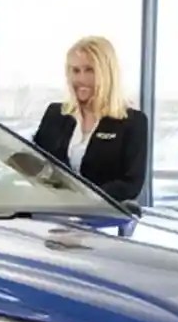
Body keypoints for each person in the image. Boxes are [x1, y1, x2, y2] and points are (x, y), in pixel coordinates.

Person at [31, 35, 149, 202]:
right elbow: (36, 165)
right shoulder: (55, 115)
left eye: (89, 70)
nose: (80, 79)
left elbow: (131, 184)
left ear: (107, 74)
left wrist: (83, 199)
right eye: (75, 70)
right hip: (53, 215)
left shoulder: (132, 122)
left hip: (102, 219)